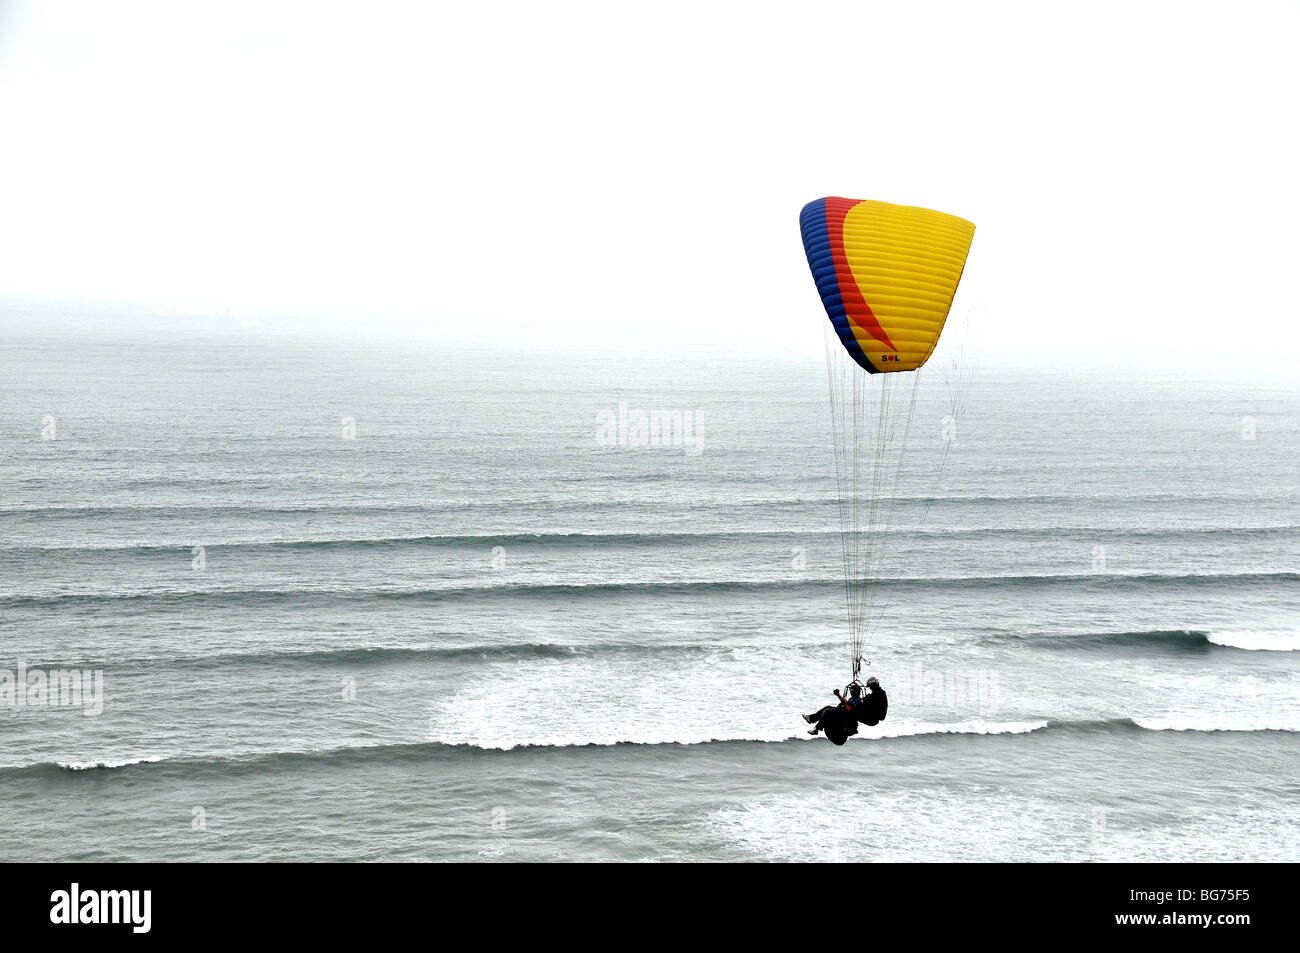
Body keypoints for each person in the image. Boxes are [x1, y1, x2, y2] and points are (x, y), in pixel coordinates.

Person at [803, 677, 887, 736]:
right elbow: (849, 704)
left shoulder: (877, 696)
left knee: (828, 711)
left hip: (870, 718)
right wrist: (839, 695)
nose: (870, 689)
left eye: (852, 691)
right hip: (862, 713)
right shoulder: (876, 694)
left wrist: (839, 696)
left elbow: (851, 706)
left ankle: (817, 729)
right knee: (828, 708)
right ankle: (811, 718)